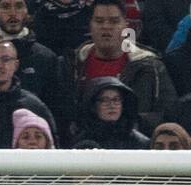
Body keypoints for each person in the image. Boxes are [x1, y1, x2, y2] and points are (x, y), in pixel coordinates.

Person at [70, 0, 177, 136]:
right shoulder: (73, 64)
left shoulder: (151, 66)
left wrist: (130, 125)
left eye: (114, 21)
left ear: (126, 26)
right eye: (99, 21)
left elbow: (168, 114)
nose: (106, 27)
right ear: (90, 25)